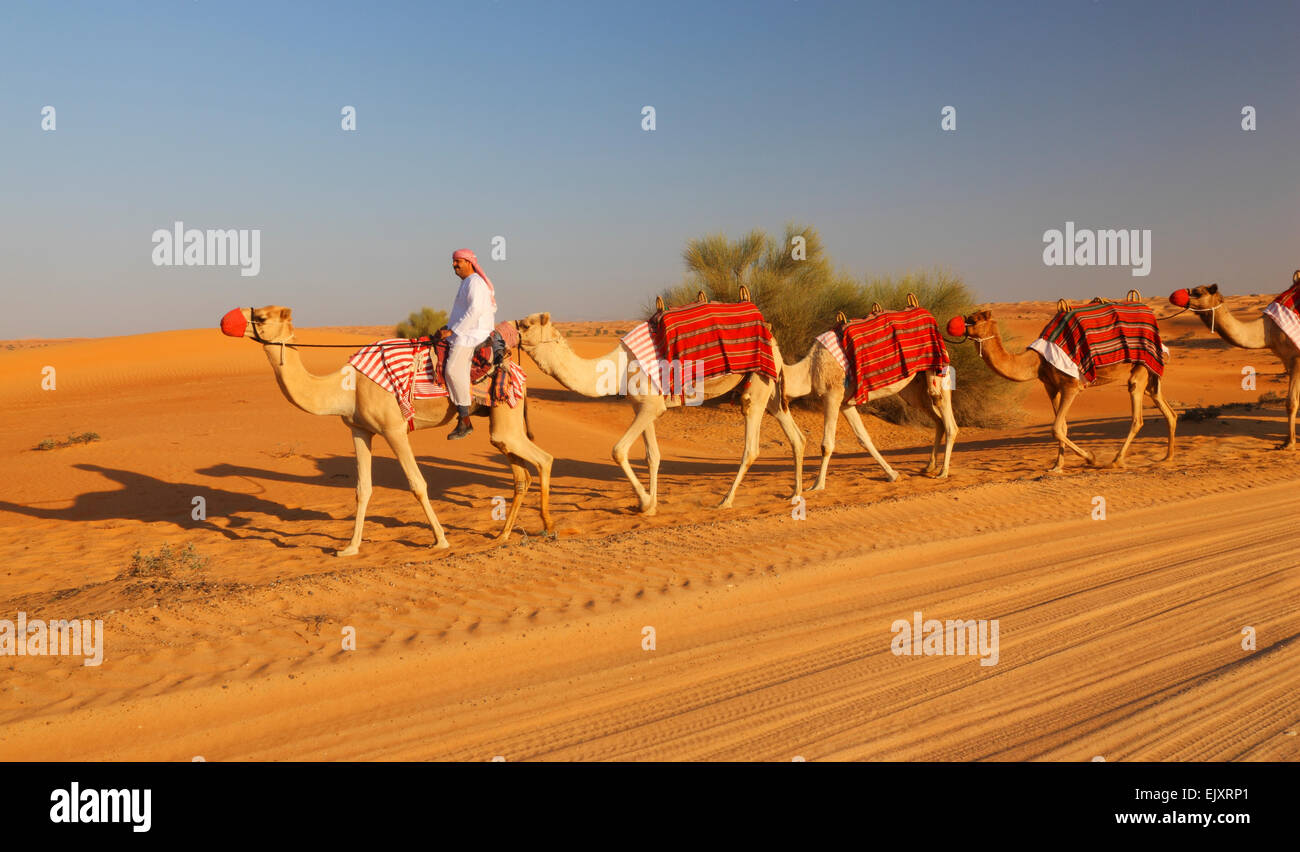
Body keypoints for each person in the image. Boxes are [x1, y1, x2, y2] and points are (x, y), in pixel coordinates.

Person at [440, 248, 497, 439]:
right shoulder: (467, 283)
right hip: (463, 332)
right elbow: (460, 313)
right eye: (454, 262)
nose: (454, 265)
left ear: (469, 263)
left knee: (453, 370)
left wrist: (453, 330)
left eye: (458, 262)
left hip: (472, 334)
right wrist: (447, 328)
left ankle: (464, 419)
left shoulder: (475, 282)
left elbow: (475, 311)